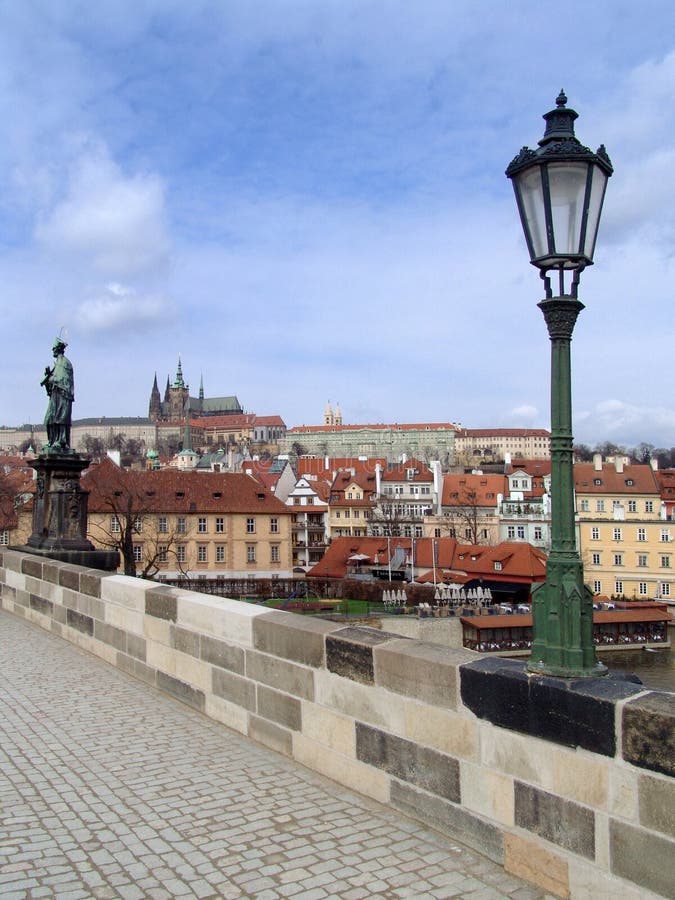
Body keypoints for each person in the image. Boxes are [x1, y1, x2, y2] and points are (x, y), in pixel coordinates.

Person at [42, 338, 74, 452]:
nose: (52, 350)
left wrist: (51, 379)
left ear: (59, 349)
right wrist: (48, 380)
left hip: (62, 397)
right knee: (49, 419)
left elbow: (63, 380)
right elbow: (52, 384)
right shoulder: (57, 365)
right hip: (55, 396)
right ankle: (52, 441)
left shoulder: (66, 363)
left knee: (60, 418)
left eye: (54, 348)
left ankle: (61, 441)